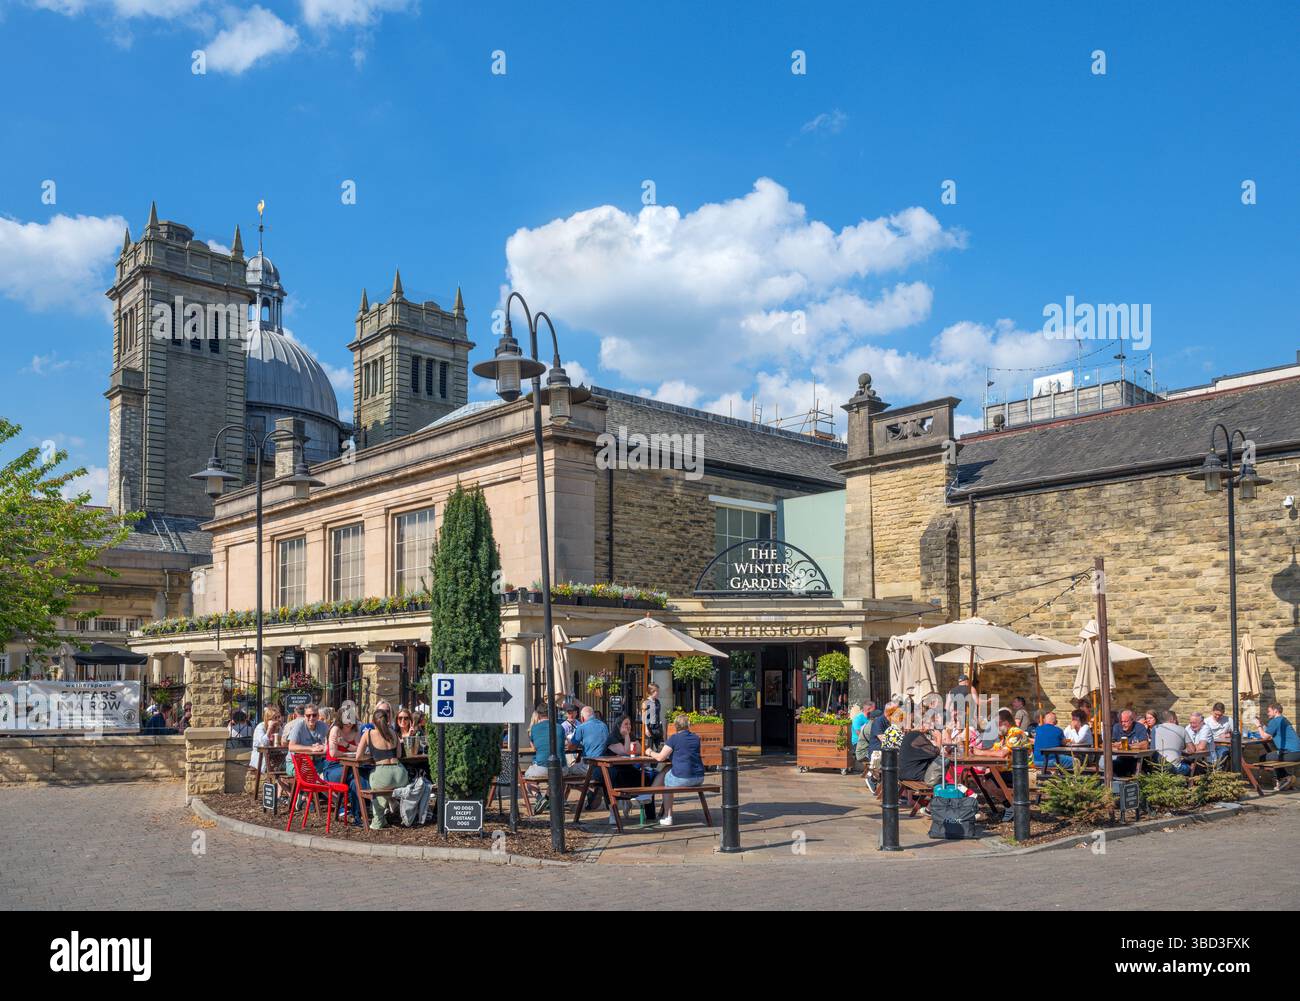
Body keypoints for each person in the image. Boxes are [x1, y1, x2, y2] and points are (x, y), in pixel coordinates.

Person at [354, 707, 408, 829]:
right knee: (385, 787)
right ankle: (392, 804)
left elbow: (358, 756)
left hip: (383, 773)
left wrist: (373, 755)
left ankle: (378, 821)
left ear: (373, 722)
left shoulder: (368, 733)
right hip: (400, 773)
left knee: (376, 783)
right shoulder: (394, 733)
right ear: (388, 720)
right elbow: (399, 754)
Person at [646, 714, 705, 827]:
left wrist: (649, 752)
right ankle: (649, 794)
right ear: (688, 725)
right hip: (699, 777)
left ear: (676, 726)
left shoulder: (674, 738)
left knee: (667, 781)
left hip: (684, 778)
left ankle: (667, 816)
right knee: (667, 769)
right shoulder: (696, 738)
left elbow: (660, 758)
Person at [323, 700, 362, 825]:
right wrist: (348, 753)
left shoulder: (355, 730)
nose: (350, 723)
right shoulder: (335, 730)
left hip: (349, 767)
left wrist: (345, 745)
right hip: (333, 767)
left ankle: (357, 815)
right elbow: (333, 753)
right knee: (356, 776)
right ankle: (355, 811)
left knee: (356, 781)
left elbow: (359, 749)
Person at [524, 707, 584, 780]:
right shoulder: (560, 727)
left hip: (543, 769)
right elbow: (566, 743)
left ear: (538, 715)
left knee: (526, 775)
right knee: (562, 776)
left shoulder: (534, 728)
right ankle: (555, 791)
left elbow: (534, 748)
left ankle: (536, 791)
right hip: (562, 769)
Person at [284, 702, 330, 779]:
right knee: (311, 775)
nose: (311, 718)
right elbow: (291, 747)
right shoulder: (299, 726)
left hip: (316, 762)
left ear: (318, 716)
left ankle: (326, 789)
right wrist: (311, 748)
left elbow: (330, 744)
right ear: (304, 716)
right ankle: (315, 789)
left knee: (331, 770)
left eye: (314, 715)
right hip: (295, 763)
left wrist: (323, 746)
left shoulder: (323, 726)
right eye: (308, 715)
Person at [1261, 702, 1300, 791]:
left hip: (1291, 753)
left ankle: (1285, 778)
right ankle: (1284, 779)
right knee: (1275, 756)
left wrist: (1258, 725)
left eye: (1269, 711)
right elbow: (1270, 733)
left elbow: (1264, 736)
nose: (1267, 713)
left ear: (1275, 711)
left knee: (1264, 758)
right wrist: (1262, 725)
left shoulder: (1275, 721)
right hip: (1297, 752)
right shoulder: (1283, 719)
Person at [567, 706, 610, 773]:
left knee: (568, 770)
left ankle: (583, 783)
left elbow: (571, 748)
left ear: (582, 717)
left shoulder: (581, 727)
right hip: (603, 764)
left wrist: (569, 742)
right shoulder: (604, 726)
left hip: (589, 764)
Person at [1111, 709, 1150, 777]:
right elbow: (1111, 743)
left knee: (1137, 767)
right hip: (1121, 759)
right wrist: (1115, 745)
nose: (1123, 724)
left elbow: (1145, 744)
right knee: (1110, 766)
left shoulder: (1139, 727)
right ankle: (1113, 786)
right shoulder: (1117, 727)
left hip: (1136, 759)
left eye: (1125, 721)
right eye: (1121, 721)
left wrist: (1128, 746)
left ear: (1132, 720)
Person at [247, 706, 282, 782]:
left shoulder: (279, 727)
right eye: (275, 718)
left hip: (275, 756)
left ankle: (287, 792)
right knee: (279, 771)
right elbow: (264, 743)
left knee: (285, 769)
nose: (278, 719)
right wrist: (269, 729)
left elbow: (281, 741)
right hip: (261, 757)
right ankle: (289, 792)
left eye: (279, 717)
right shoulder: (260, 727)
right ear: (268, 719)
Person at [1153, 711, 1191, 775]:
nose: (1176, 720)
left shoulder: (1155, 728)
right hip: (1174, 768)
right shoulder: (1181, 729)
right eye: (1176, 719)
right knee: (1189, 767)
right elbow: (1191, 749)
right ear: (1172, 719)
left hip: (1157, 766)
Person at [642, 683, 664, 751]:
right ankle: (651, 762)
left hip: (658, 728)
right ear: (651, 692)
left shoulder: (657, 701)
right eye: (656, 691)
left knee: (661, 749)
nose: (658, 693)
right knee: (649, 750)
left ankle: (657, 761)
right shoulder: (646, 702)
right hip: (650, 728)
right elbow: (644, 716)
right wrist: (646, 729)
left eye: (658, 691)